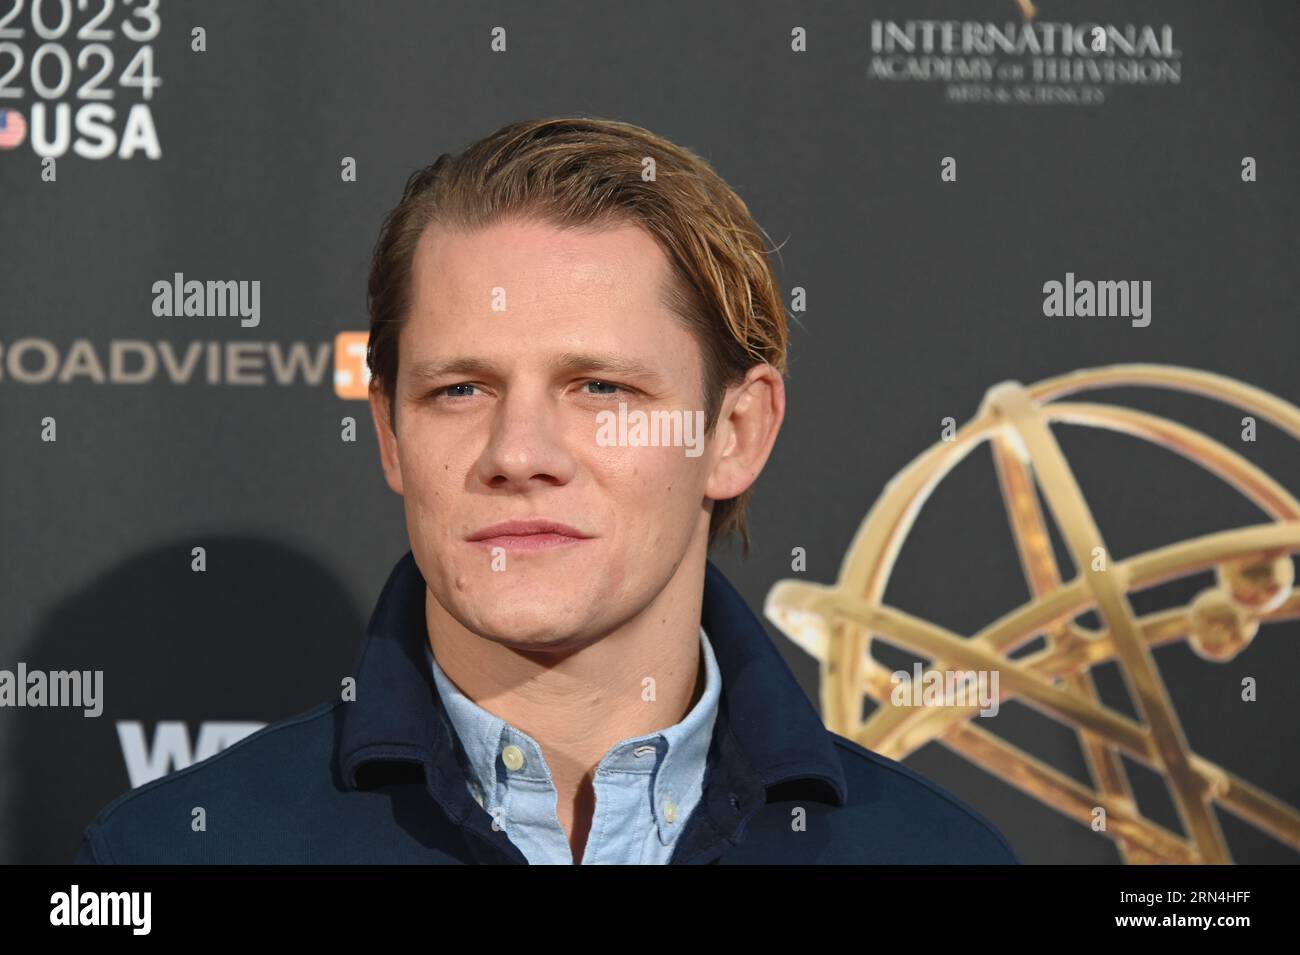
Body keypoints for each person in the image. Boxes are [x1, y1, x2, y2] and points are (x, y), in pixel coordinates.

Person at [73, 116, 1018, 864]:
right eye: (459, 389)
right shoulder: (169, 856)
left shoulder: (937, 855)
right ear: (391, 435)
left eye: (601, 387)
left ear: (734, 433)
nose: (518, 452)